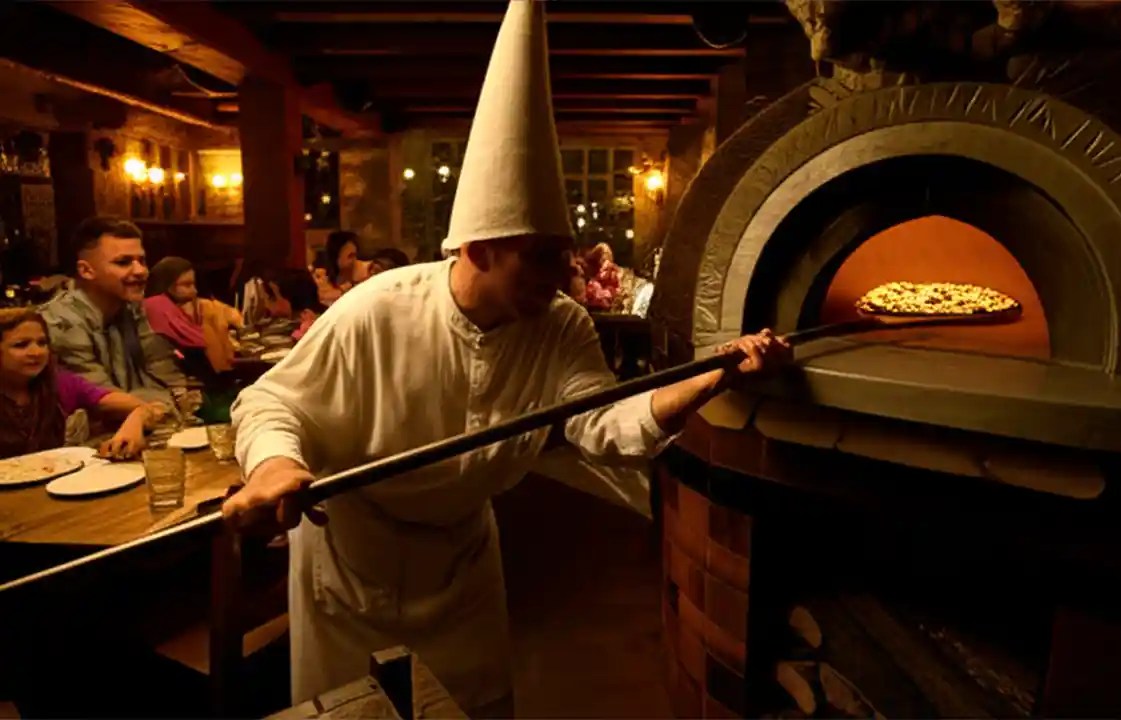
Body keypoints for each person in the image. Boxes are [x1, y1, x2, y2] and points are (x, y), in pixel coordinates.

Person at [220, 3, 792, 716]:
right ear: (479, 250)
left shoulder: (558, 325)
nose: (564, 274)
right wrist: (275, 465)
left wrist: (717, 374)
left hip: (461, 561)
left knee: (478, 707)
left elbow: (604, 425)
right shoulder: (379, 307)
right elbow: (272, 402)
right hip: (352, 563)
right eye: (544, 257)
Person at [41, 217, 184, 406]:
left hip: (142, 420)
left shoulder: (131, 307)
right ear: (86, 270)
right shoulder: (60, 321)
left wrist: (182, 398)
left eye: (142, 261)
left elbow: (161, 368)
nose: (141, 271)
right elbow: (100, 398)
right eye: (123, 262)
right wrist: (155, 406)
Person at [0, 308, 164, 460]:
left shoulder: (60, 383)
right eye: (21, 345)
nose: (36, 352)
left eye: (42, 343)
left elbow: (146, 408)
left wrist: (136, 420)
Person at [142, 256, 243, 374]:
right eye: (186, 285)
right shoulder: (156, 304)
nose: (194, 290)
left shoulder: (194, 306)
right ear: (167, 284)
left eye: (193, 284)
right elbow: (198, 341)